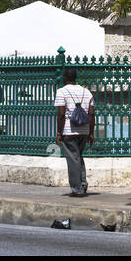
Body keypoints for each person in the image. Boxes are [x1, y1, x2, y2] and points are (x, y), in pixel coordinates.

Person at [53, 67, 95, 197]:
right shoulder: (86, 92)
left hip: (69, 130)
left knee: (73, 159)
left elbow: (60, 114)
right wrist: (91, 133)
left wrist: (59, 133)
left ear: (65, 78)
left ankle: (77, 188)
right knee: (78, 156)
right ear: (75, 78)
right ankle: (82, 183)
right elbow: (92, 113)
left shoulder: (62, 92)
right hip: (84, 129)